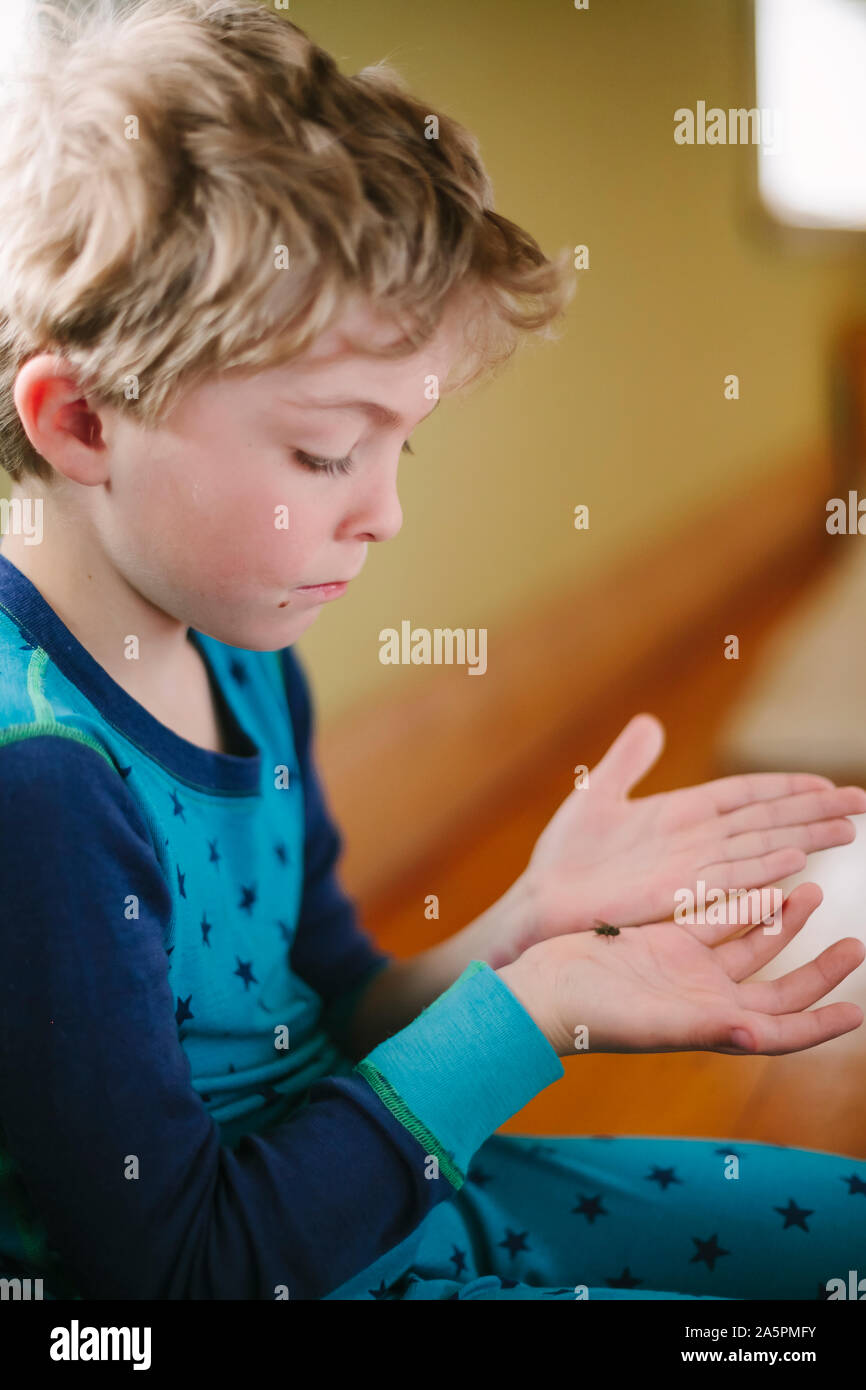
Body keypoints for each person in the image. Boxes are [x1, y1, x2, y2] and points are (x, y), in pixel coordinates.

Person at [0, 0, 863, 1301]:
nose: (386, 512)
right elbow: (173, 1274)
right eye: (326, 452)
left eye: (405, 445)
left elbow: (332, 1006)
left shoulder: (239, 650)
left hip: (388, 1188)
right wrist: (531, 1015)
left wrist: (522, 929)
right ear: (78, 419)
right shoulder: (45, 788)